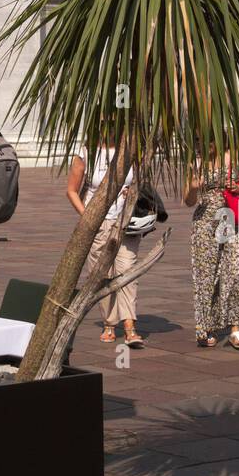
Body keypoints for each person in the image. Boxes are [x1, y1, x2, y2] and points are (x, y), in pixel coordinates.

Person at [184, 145, 239, 350]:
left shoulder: (236, 155)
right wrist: (193, 187)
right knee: (207, 275)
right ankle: (207, 327)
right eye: (200, 138)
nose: (206, 142)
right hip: (205, 221)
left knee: (236, 271)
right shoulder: (196, 161)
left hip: (236, 218)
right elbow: (188, 201)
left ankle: (236, 329)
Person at [67, 143, 144, 346]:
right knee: (101, 274)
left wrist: (133, 192)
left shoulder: (130, 150)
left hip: (126, 220)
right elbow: (71, 190)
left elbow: (142, 183)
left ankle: (129, 326)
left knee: (126, 270)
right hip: (99, 222)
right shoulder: (86, 152)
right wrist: (88, 218)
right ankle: (109, 323)